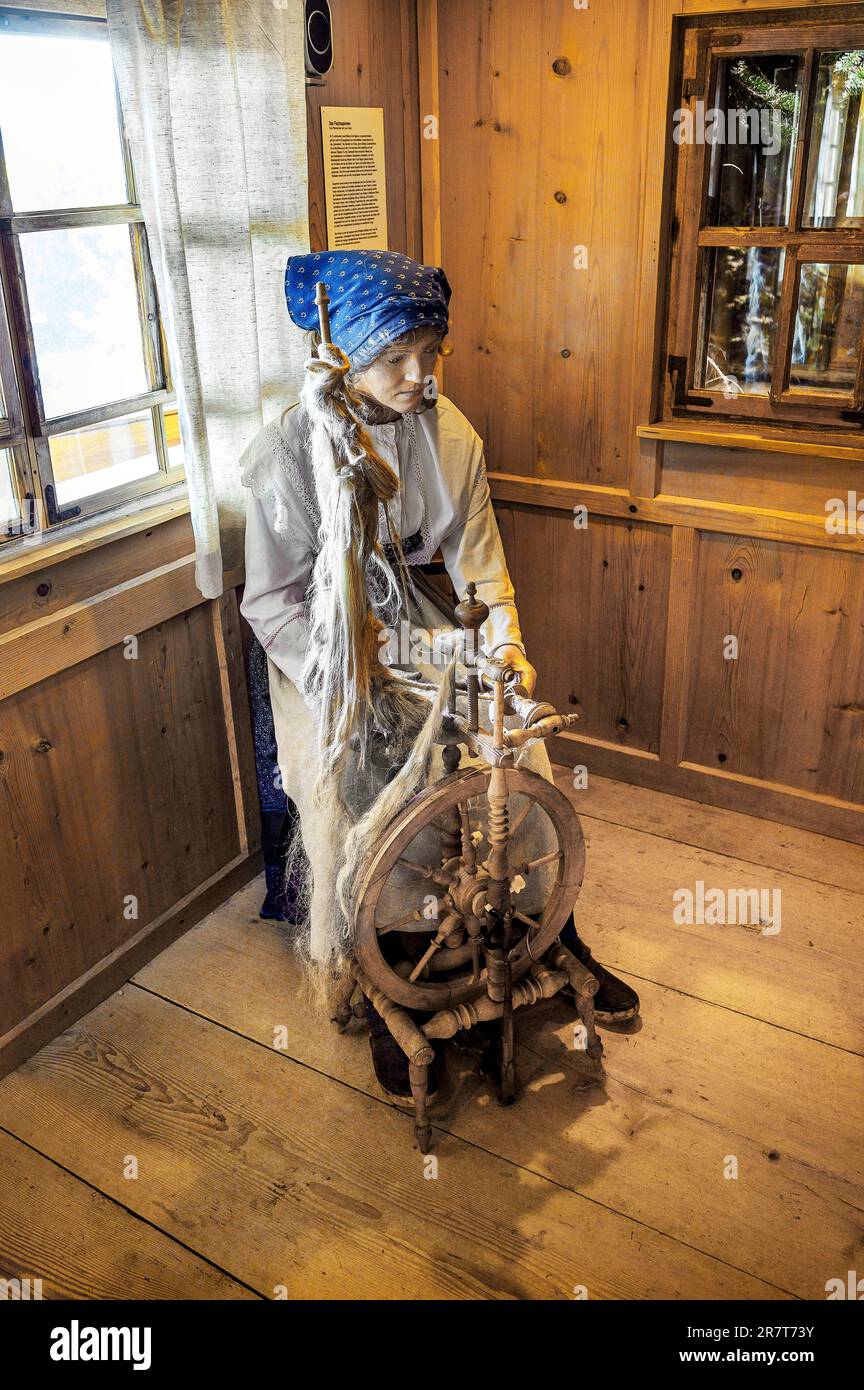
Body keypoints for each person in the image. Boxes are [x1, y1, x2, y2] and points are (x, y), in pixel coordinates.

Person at [240, 250, 639, 1098]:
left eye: (433, 353)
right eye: (397, 358)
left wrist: (504, 663)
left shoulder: (448, 433)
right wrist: (355, 682)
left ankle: (549, 931)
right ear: (341, 354)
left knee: (505, 756)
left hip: (425, 623)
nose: (421, 377)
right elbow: (271, 602)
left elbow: (479, 571)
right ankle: (399, 984)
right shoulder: (283, 456)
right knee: (364, 796)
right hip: (326, 649)